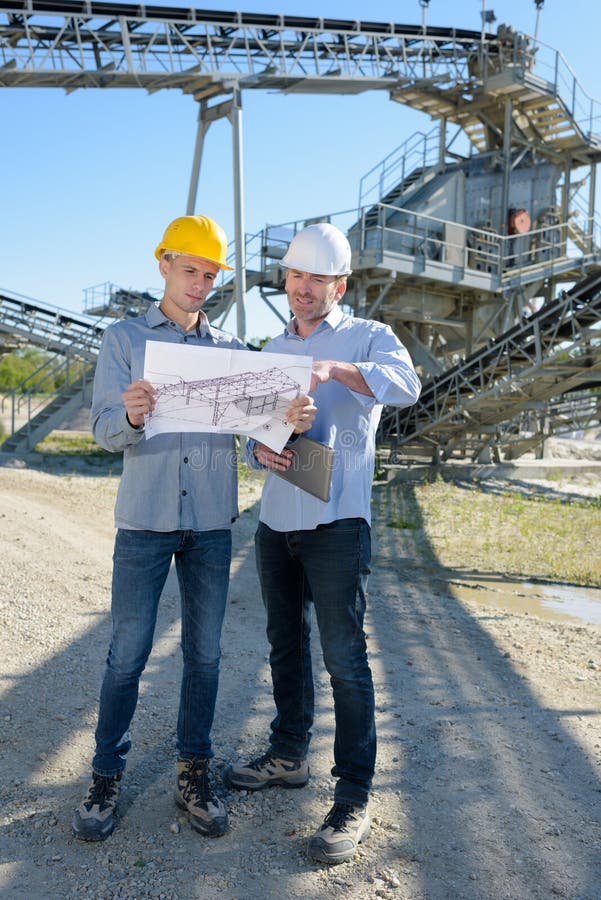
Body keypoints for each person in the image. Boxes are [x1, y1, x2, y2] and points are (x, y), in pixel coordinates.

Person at [72, 214, 315, 843]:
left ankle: (193, 772)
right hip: (145, 524)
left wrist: (289, 419)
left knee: (204, 657)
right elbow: (102, 432)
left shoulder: (232, 353)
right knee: (127, 655)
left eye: (210, 275)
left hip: (210, 527)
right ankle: (105, 775)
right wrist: (127, 415)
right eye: (191, 271)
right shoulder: (123, 341)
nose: (201, 284)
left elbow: (263, 441)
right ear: (163, 265)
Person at [227, 222, 421, 865]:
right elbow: (253, 435)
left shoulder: (369, 337)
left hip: (338, 524)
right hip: (276, 520)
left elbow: (407, 385)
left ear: (338, 285)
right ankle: (287, 756)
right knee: (285, 644)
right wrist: (260, 446)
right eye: (294, 276)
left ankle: (353, 795)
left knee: (344, 659)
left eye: (316, 279)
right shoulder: (270, 345)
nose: (302, 288)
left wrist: (334, 370)